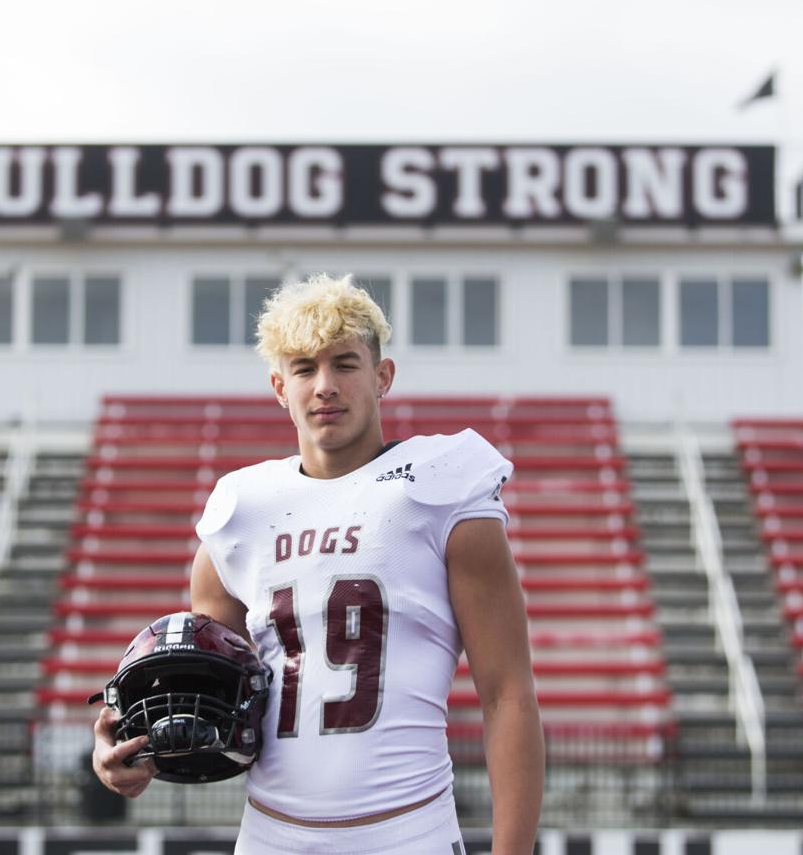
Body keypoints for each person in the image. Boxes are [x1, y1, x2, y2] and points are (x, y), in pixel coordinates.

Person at [93, 273, 543, 854]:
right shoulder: (241, 513)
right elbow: (212, 694)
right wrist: (129, 748)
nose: (325, 386)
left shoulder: (440, 486)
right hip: (271, 836)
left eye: (345, 364)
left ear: (383, 376)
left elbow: (508, 694)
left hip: (407, 832)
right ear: (280, 388)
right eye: (305, 369)